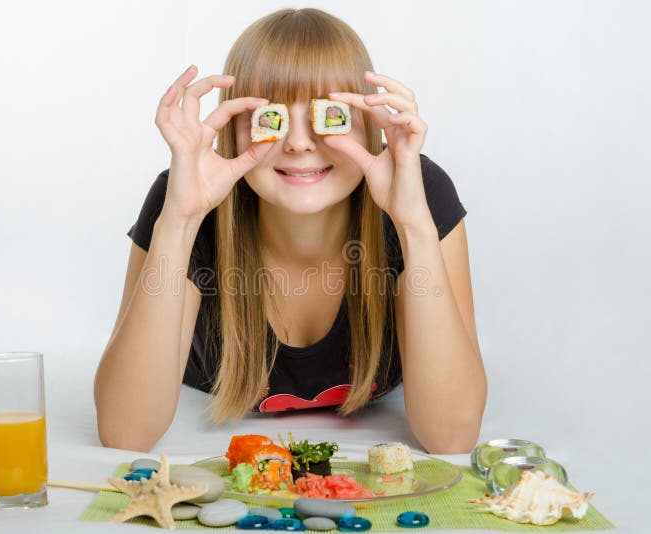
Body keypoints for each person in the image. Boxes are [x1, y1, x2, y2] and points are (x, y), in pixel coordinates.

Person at [94, 8, 486, 454]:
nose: (299, 143)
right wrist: (179, 221)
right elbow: (125, 435)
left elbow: (452, 437)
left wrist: (414, 224)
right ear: (235, 130)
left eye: (328, 115)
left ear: (370, 122)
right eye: (272, 117)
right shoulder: (184, 195)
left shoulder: (416, 189)